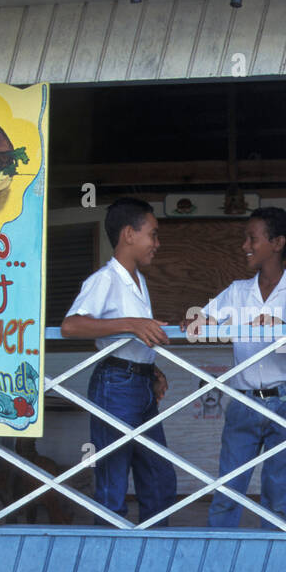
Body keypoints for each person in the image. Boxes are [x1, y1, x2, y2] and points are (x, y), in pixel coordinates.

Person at [190, 207, 286, 530]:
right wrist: (203, 321)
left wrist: (280, 326)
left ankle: (273, 564)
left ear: (277, 243)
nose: (244, 245)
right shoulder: (237, 292)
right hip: (244, 401)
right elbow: (197, 323)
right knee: (228, 489)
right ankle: (219, 558)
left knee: (277, 494)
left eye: (253, 238)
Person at [60, 197, 177, 525]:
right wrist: (130, 323)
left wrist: (151, 367)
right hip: (115, 385)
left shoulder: (138, 281)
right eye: (152, 234)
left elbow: (133, 338)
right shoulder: (106, 279)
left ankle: (155, 553)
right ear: (128, 234)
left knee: (159, 477)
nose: (157, 243)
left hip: (139, 382)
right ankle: (112, 563)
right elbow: (72, 325)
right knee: (113, 482)